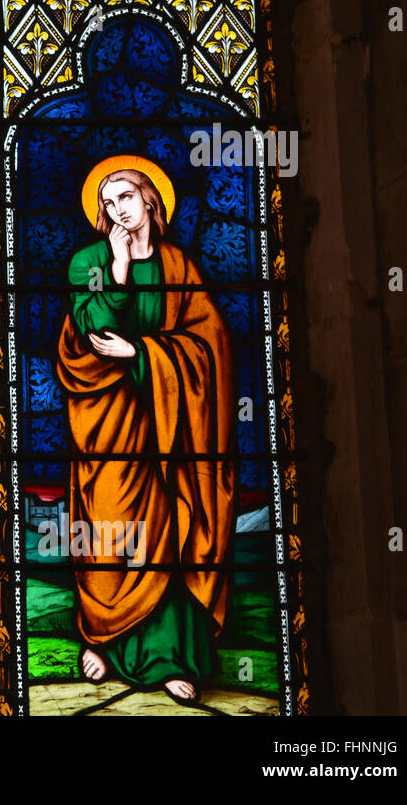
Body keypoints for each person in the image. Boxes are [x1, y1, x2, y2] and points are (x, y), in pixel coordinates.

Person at [55, 156, 236, 705]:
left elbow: (210, 346)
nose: (115, 210)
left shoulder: (179, 265)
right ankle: (103, 641)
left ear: (151, 201)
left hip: (174, 425)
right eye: (107, 203)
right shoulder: (88, 259)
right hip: (107, 422)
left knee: (173, 527)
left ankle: (173, 658)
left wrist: (144, 354)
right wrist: (116, 267)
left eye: (125, 198)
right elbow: (90, 327)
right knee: (109, 525)